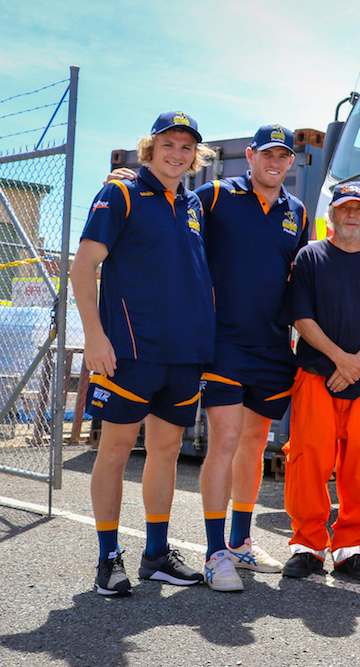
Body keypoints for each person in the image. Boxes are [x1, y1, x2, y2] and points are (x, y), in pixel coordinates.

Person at [107, 124, 310, 592]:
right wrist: (124, 180)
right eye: (268, 155)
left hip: (272, 346)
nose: (275, 164)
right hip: (222, 343)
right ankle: (215, 551)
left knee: (257, 443)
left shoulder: (296, 212)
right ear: (252, 156)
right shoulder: (214, 195)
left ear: (290, 163)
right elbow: (166, 199)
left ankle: (241, 541)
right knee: (225, 439)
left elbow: (298, 276)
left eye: (284, 157)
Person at [70, 111, 215, 596]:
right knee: (113, 451)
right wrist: (94, 336)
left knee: (167, 451)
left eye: (187, 148)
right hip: (129, 352)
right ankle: (108, 558)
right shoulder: (123, 192)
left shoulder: (192, 202)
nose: (178, 154)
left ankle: (156, 554)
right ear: (150, 148)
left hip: (183, 353)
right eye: (169, 145)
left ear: (196, 156)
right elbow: (83, 265)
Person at [280, 181, 360, 581]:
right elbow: (301, 317)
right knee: (308, 459)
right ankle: (308, 546)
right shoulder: (310, 257)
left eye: (358, 209)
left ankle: (354, 548)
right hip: (318, 376)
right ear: (331, 215)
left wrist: (357, 363)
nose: (351, 215)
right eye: (344, 209)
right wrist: (341, 360)